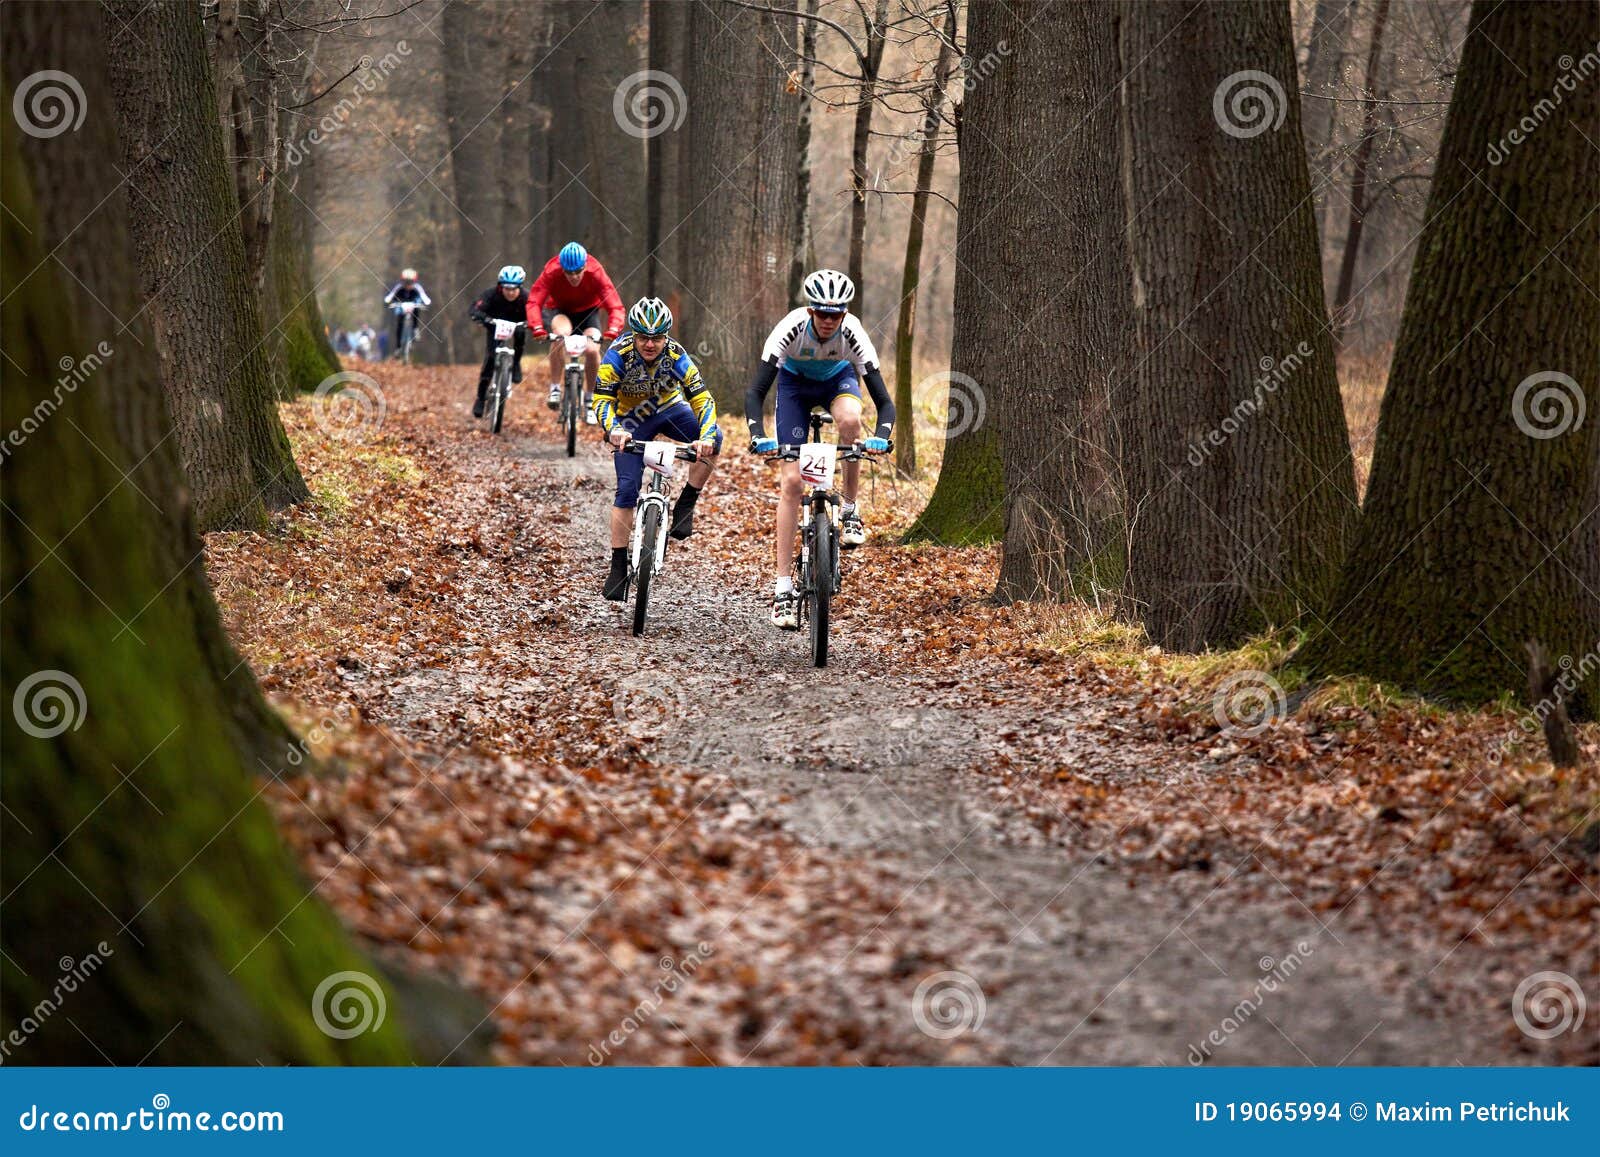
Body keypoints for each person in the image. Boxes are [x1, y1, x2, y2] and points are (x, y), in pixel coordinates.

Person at [745, 269, 894, 630]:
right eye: (822, 313)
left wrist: (883, 435)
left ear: (844, 314)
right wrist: (757, 434)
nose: (828, 321)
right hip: (794, 388)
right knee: (793, 483)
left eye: (836, 314)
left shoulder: (853, 334)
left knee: (850, 423)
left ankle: (851, 509)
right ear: (810, 311)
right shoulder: (789, 329)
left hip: (837, 382)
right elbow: (755, 392)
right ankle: (782, 588)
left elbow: (884, 402)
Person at [597, 297, 721, 601]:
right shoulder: (617, 354)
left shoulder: (677, 355)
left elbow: (702, 398)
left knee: (716, 438)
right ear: (633, 335)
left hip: (668, 410)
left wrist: (704, 435)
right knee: (626, 490)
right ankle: (617, 567)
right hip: (630, 420)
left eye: (656, 338)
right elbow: (601, 400)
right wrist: (613, 429)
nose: (650, 344)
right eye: (643, 337)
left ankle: (686, 504)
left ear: (666, 336)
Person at [525, 242, 624, 424]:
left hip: (588, 312)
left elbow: (614, 305)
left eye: (578, 271)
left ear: (585, 266)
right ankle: (555, 388)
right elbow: (534, 301)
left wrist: (613, 329)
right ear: (561, 268)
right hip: (559, 310)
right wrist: (537, 327)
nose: (574, 276)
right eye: (568, 272)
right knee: (561, 335)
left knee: (593, 350)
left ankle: (590, 398)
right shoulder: (551, 271)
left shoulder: (596, 271)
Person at [467, 266, 530, 418]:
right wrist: (483, 318)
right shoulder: (491, 294)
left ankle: (516, 364)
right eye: (506, 288)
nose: (509, 292)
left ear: (520, 288)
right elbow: (475, 309)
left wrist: (534, 323)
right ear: (500, 286)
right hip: (495, 326)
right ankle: (481, 398)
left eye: (513, 289)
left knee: (521, 334)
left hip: (517, 324)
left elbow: (540, 313)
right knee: (490, 359)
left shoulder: (527, 297)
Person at [383, 268, 431, 356]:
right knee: (400, 324)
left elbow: (424, 297)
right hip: (401, 306)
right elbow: (390, 296)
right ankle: (398, 347)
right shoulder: (399, 287)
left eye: (410, 282)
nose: (408, 285)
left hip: (413, 305)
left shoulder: (417, 288)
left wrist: (427, 302)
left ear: (414, 281)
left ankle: (415, 328)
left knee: (417, 308)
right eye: (406, 282)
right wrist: (387, 301)